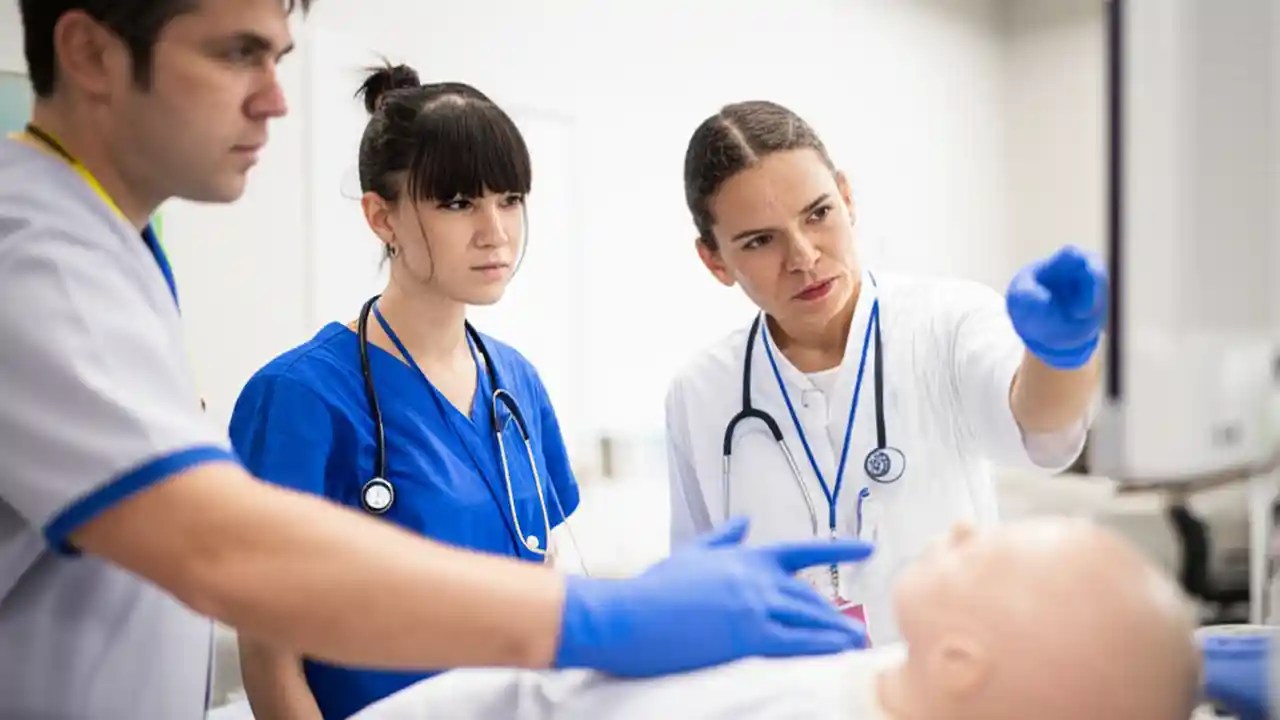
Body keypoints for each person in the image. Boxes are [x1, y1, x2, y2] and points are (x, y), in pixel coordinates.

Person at [0, 5, 875, 718]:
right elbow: (234, 565)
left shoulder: (113, 252)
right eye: (239, 54)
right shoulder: (38, 260)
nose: (276, 99)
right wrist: (602, 618)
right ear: (89, 51)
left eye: (509, 199)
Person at [666, 100, 1108, 643]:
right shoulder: (700, 392)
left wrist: (1062, 352)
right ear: (715, 261)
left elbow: (1041, 433)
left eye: (818, 213)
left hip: (946, 688)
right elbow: (695, 585)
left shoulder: (946, 321)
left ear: (847, 198)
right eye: (760, 241)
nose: (803, 256)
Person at [227, 63, 587, 720]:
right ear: (380, 216)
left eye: (509, 199)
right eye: (456, 203)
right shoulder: (300, 400)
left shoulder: (518, 385)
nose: (495, 231)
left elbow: (541, 587)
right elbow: (268, 658)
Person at [346, 517, 1203, 720]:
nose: (965, 526)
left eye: (990, 553)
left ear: (963, 664)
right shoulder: (880, 672)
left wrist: (604, 620)